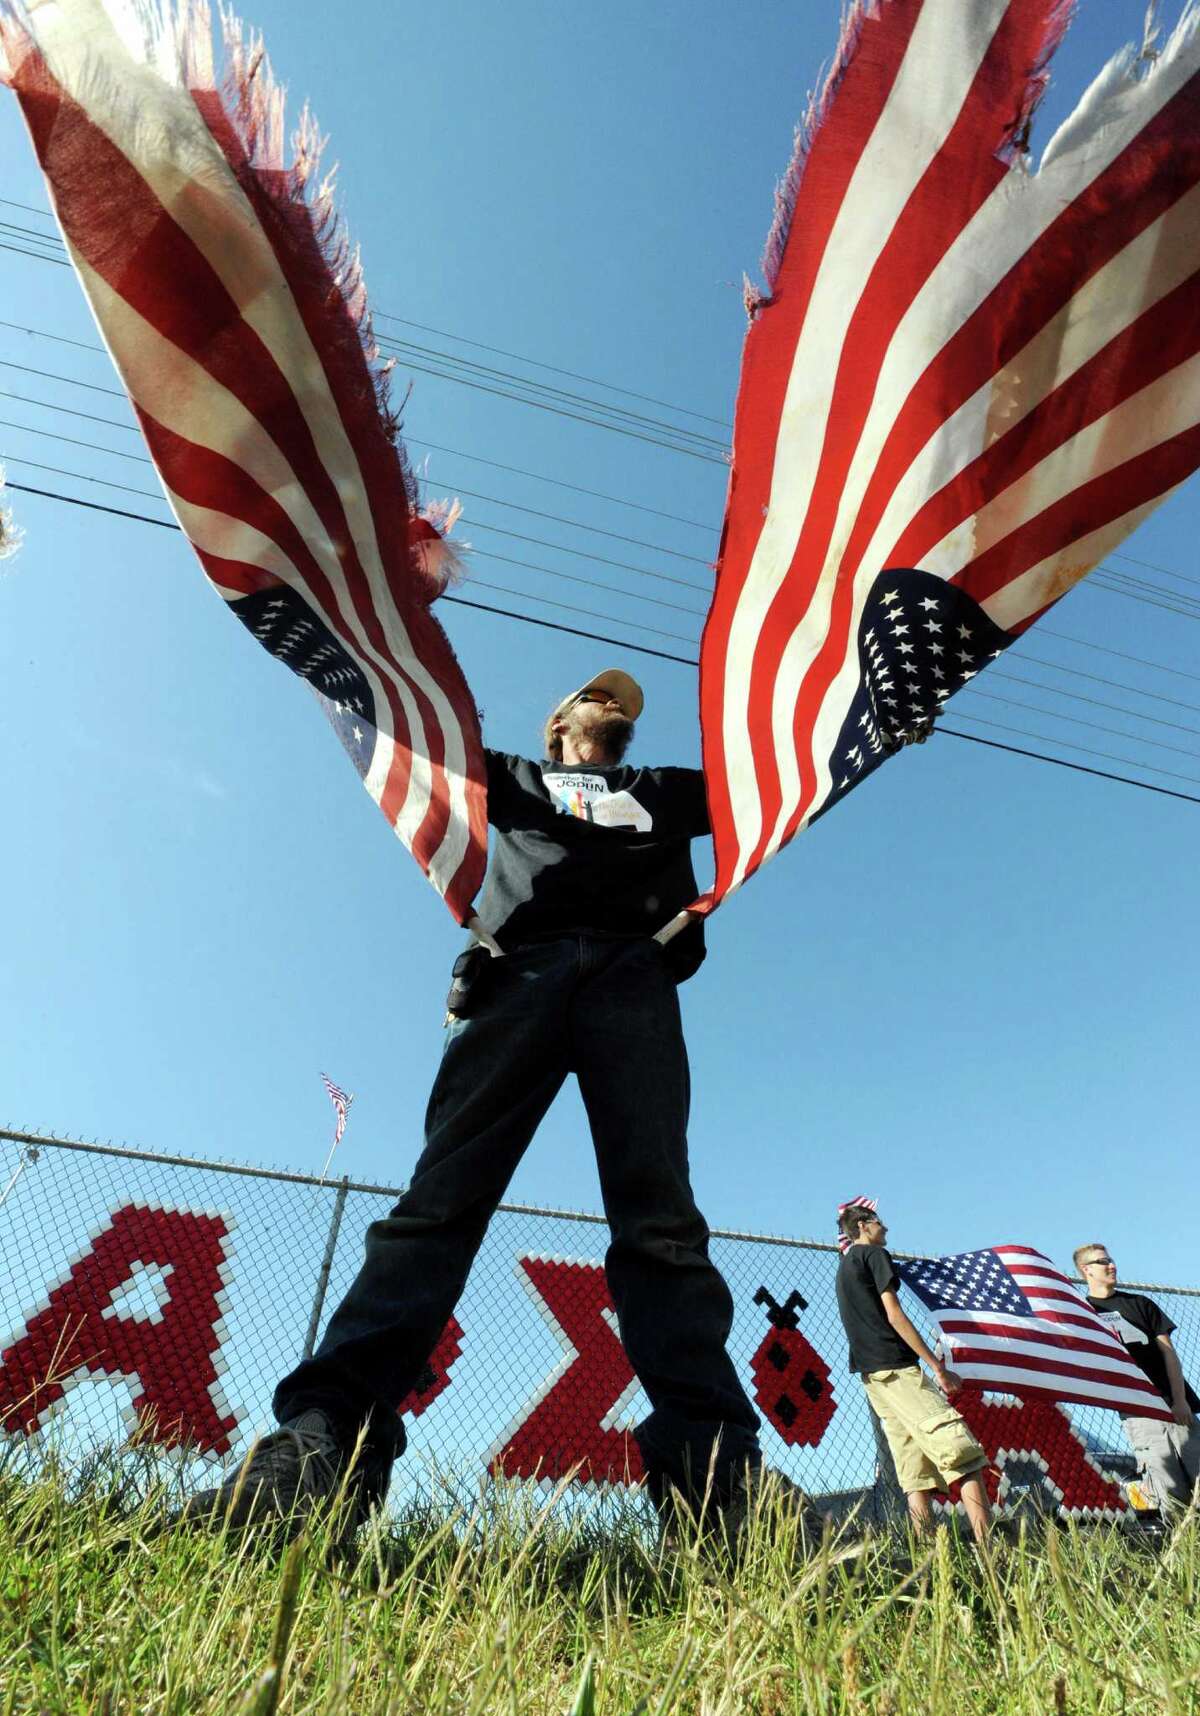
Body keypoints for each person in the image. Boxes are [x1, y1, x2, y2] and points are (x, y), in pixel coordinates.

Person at [181, 667, 761, 1538]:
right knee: (439, 1201)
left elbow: (778, 783)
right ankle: (323, 1443)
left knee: (661, 1220)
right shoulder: (509, 778)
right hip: (514, 969)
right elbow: (407, 732)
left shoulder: (665, 791)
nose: (613, 707)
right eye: (595, 697)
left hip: (634, 977)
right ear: (559, 721)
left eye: (625, 706)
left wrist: (873, 717)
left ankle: (718, 1481)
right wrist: (354, 637)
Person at [835, 1200, 991, 1543]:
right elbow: (894, 1313)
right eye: (879, 1222)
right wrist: (937, 1367)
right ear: (863, 1225)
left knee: (914, 1470)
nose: (885, 1228)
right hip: (897, 1366)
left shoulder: (845, 1266)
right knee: (960, 1452)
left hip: (872, 1377)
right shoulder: (874, 1256)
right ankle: (990, 1550)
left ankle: (924, 1554)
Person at [1075, 1241, 1200, 1517]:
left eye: (1111, 1259)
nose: (1112, 1265)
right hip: (1138, 1414)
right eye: (1102, 1261)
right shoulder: (1084, 1315)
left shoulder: (1140, 1304)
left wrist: (1180, 1401)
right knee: (1170, 1493)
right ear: (1086, 1270)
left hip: (1176, 1408)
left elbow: (1169, 1354)